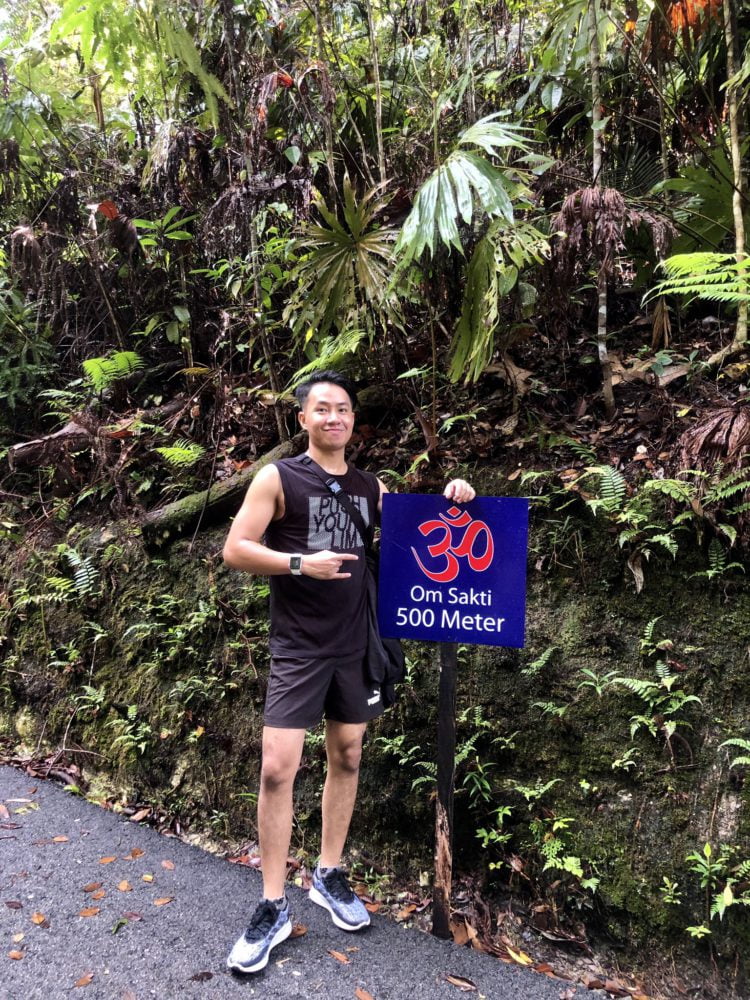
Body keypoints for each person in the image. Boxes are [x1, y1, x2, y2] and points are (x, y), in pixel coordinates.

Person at [222, 370, 475, 973]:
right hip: (299, 646)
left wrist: (456, 495)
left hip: (356, 643)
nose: (334, 418)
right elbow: (235, 548)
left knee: (349, 755)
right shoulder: (278, 478)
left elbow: (423, 525)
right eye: (322, 409)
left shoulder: (369, 486)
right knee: (278, 767)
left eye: (343, 410)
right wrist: (296, 564)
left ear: (353, 422)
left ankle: (328, 873)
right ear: (303, 419)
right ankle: (272, 904)